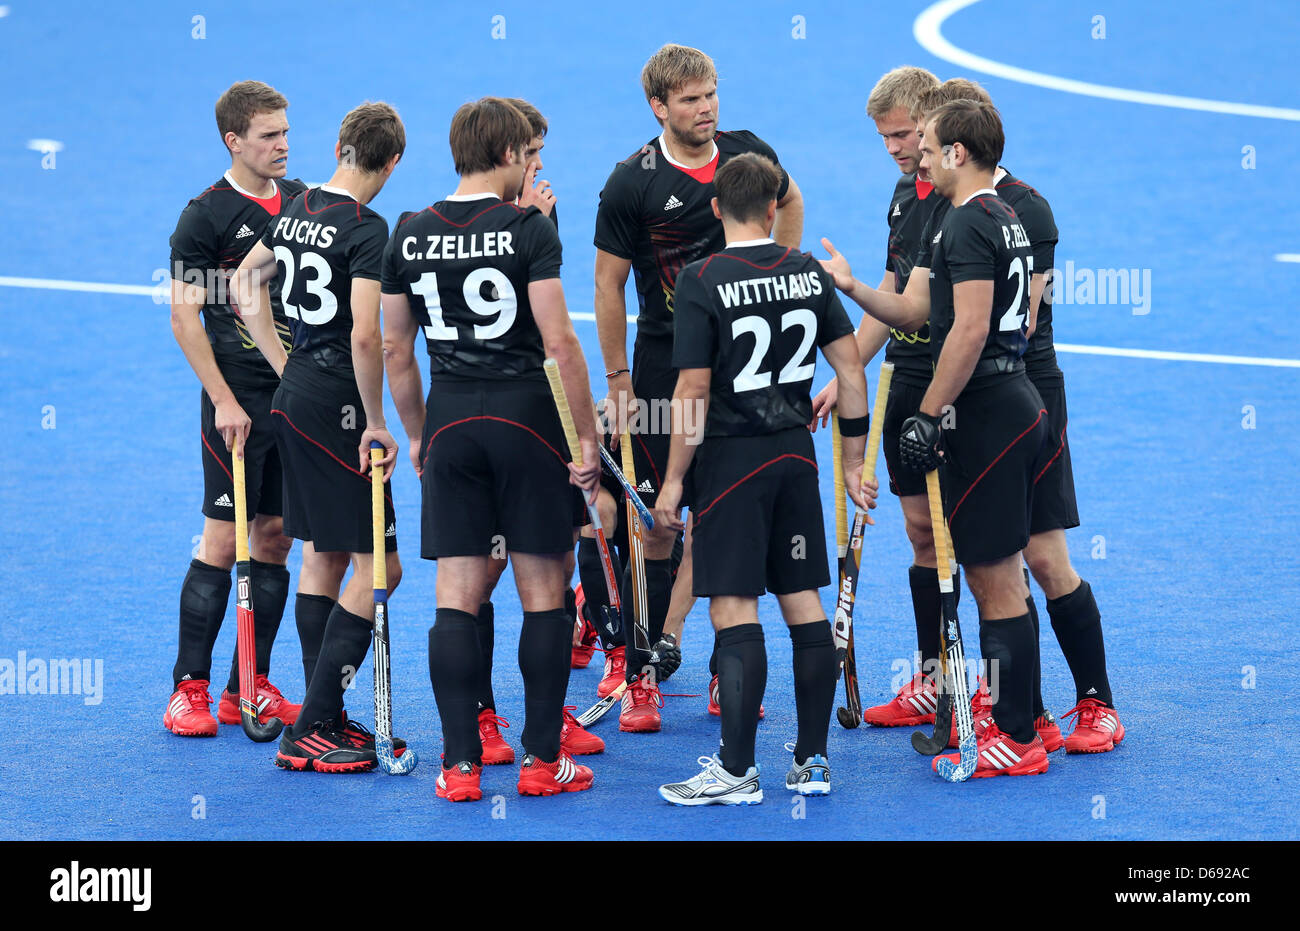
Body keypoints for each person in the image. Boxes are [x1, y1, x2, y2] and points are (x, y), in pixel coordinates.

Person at [820, 99, 1052, 777]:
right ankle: (1021, 717)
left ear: (956, 152)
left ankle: (1017, 735)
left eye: (927, 147)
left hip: (989, 410)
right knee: (996, 572)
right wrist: (855, 288)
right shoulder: (996, 217)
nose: (917, 158)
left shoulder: (972, 223)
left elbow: (970, 330)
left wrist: (926, 410)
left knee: (994, 578)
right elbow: (919, 309)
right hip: (1011, 403)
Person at [381, 97, 601, 802]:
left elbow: (393, 346)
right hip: (528, 419)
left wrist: (417, 432)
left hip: (450, 419)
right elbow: (560, 342)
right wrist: (586, 437)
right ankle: (541, 761)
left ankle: (461, 764)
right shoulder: (526, 228)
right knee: (543, 591)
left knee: (455, 596)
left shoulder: (408, 233)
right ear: (511, 156)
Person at [594, 43, 804, 731]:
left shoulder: (747, 155)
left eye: (711, 93)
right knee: (656, 522)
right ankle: (644, 668)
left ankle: (725, 669)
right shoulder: (633, 181)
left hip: (743, 368)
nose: (706, 107)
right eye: (690, 99)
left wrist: (783, 267)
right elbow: (608, 282)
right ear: (659, 107)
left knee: (728, 513)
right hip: (664, 366)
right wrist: (619, 377)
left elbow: (790, 197)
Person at [653, 153, 874, 805]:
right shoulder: (807, 272)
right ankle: (811, 760)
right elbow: (853, 369)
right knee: (803, 603)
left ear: (716, 208)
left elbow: (692, 388)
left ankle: (736, 769)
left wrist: (672, 481)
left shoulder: (702, 279)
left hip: (731, 463)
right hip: (794, 458)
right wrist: (855, 461)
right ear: (775, 208)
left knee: (733, 606)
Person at [234, 101, 406, 772]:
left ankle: (323, 715)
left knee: (324, 557)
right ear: (392, 163)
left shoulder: (298, 202)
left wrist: (284, 365)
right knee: (382, 567)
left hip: (297, 393)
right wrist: (375, 419)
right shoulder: (368, 228)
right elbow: (367, 334)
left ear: (340, 145)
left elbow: (244, 282)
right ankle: (309, 725)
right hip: (338, 400)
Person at [810, 66, 954, 731]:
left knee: (977, 543)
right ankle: (934, 678)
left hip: (954, 383)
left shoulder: (964, 194)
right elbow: (894, 292)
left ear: (932, 118)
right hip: (905, 376)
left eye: (903, 134)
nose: (896, 148)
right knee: (922, 532)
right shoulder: (904, 194)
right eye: (885, 138)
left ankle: (1007, 696)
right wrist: (847, 372)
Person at [164, 80, 304, 738]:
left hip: (294, 399)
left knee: (275, 538)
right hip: (237, 403)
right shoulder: (205, 215)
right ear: (234, 141)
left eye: (284, 131)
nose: (282, 143)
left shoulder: (304, 202)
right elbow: (184, 318)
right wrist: (222, 399)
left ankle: (247, 683)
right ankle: (188, 687)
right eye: (269, 135)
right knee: (223, 539)